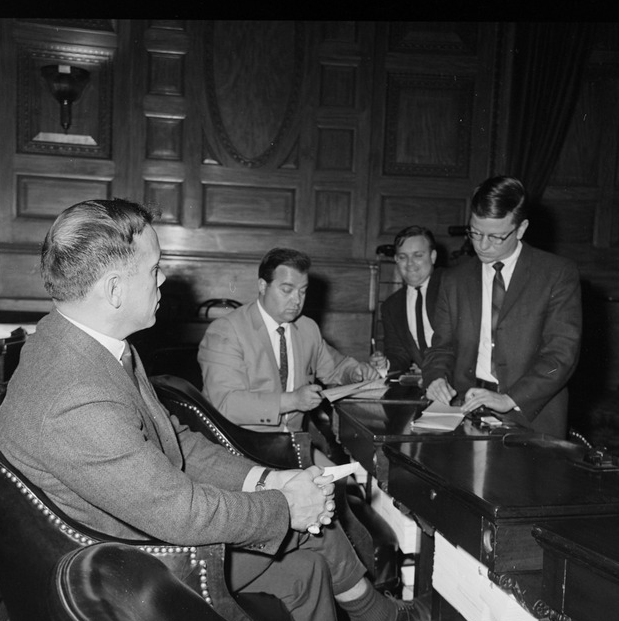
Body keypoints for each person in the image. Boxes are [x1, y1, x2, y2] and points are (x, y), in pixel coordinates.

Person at [0, 198, 428, 621]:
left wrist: (266, 481)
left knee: (307, 570)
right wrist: (284, 506)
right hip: (124, 580)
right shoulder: (76, 394)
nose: (164, 280)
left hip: (131, 547)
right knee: (313, 537)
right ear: (114, 290)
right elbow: (179, 513)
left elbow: (174, 443)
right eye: (154, 268)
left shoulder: (84, 345)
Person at [422, 176, 582, 438]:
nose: (482, 245)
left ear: (521, 229)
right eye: (475, 232)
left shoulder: (556, 274)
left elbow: (561, 355)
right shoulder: (454, 280)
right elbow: (441, 347)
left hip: (531, 413)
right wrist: (435, 378)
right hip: (467, 410)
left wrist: (509, 398)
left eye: (496, 237)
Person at [198, 247, 381, 435]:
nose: (296, 301)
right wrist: (292, 401)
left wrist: (355, 372)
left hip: (293, 441)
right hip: (237, 441)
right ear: (262, 286)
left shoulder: (307, 328)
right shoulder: (226, 331)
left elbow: (336, 368)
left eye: (302, 291)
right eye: (287, 290)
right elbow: (225, 404)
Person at [370, 225, 443, 377]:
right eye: (403, 257)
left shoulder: (451, 288)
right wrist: (386, 363)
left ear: (433, 256)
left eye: (418, 255)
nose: (410, 264)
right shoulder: (392, 306)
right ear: (396, 259)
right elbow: (398, 353)